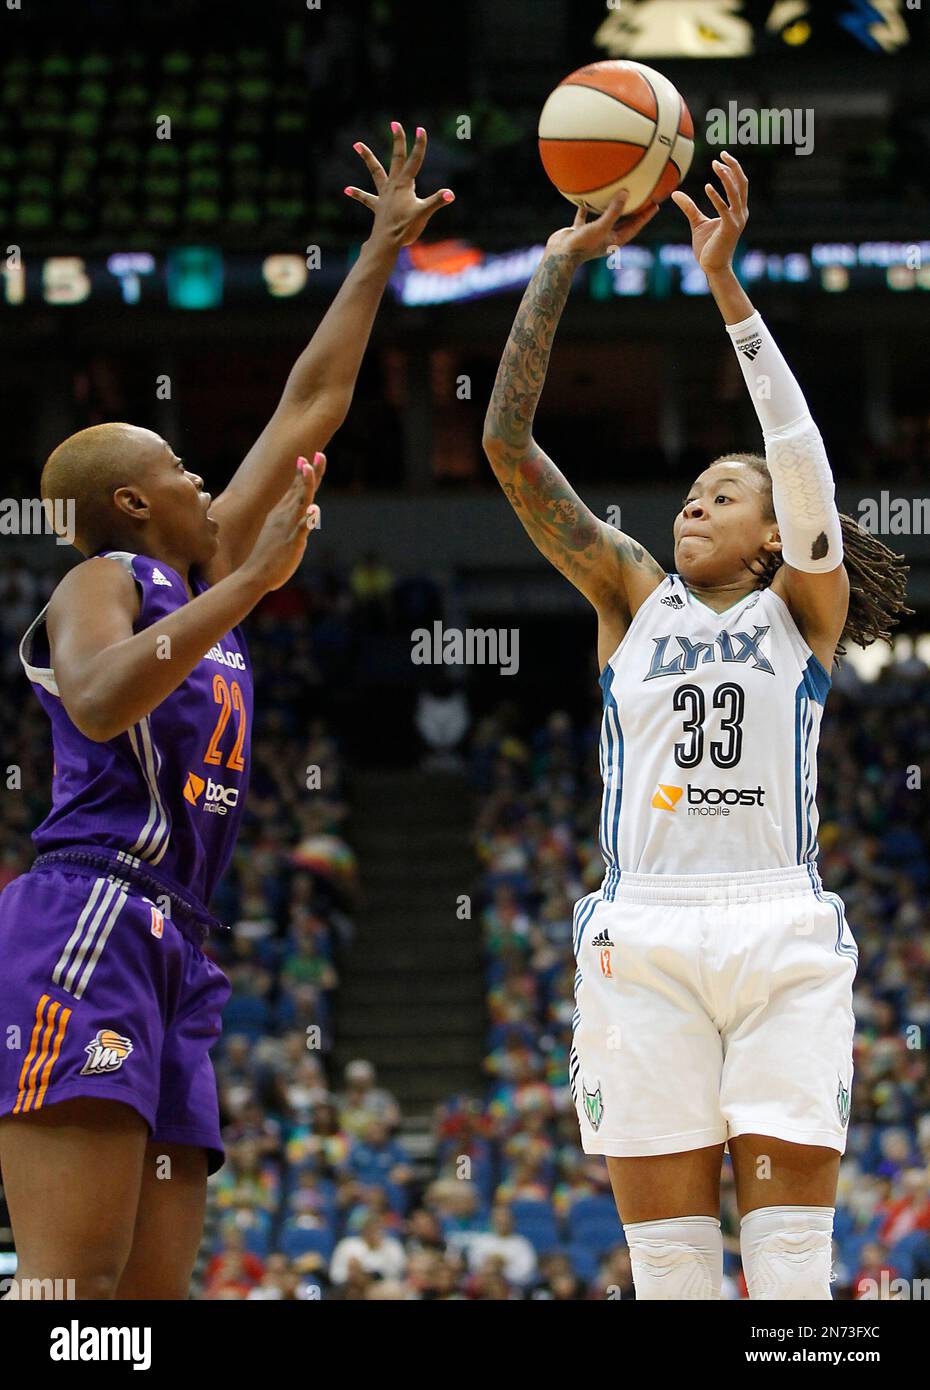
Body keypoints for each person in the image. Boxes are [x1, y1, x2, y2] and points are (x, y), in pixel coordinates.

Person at [0, 123, 454, 1301]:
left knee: (148, 1310)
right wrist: (254, 584)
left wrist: (378, 253)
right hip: (86, 913)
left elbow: (310, 404)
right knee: (68, 1297)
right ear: (139, 501)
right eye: (190, 475)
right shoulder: (101, 580)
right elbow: (101, 702)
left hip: (179, 941)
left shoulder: (192, 583)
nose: (214, 482)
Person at [482, 153, 910, 1300]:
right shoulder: (626, 591)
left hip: (779, 929)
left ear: (776, 536)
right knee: (672, 1279)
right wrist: (558, 268)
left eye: (727, 494)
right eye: (691, 493)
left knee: (788, 1281)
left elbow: (803, 461)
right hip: (646, 932)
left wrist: (728, 290)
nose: (693, 504)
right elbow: (508, 448)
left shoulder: (801, 611)